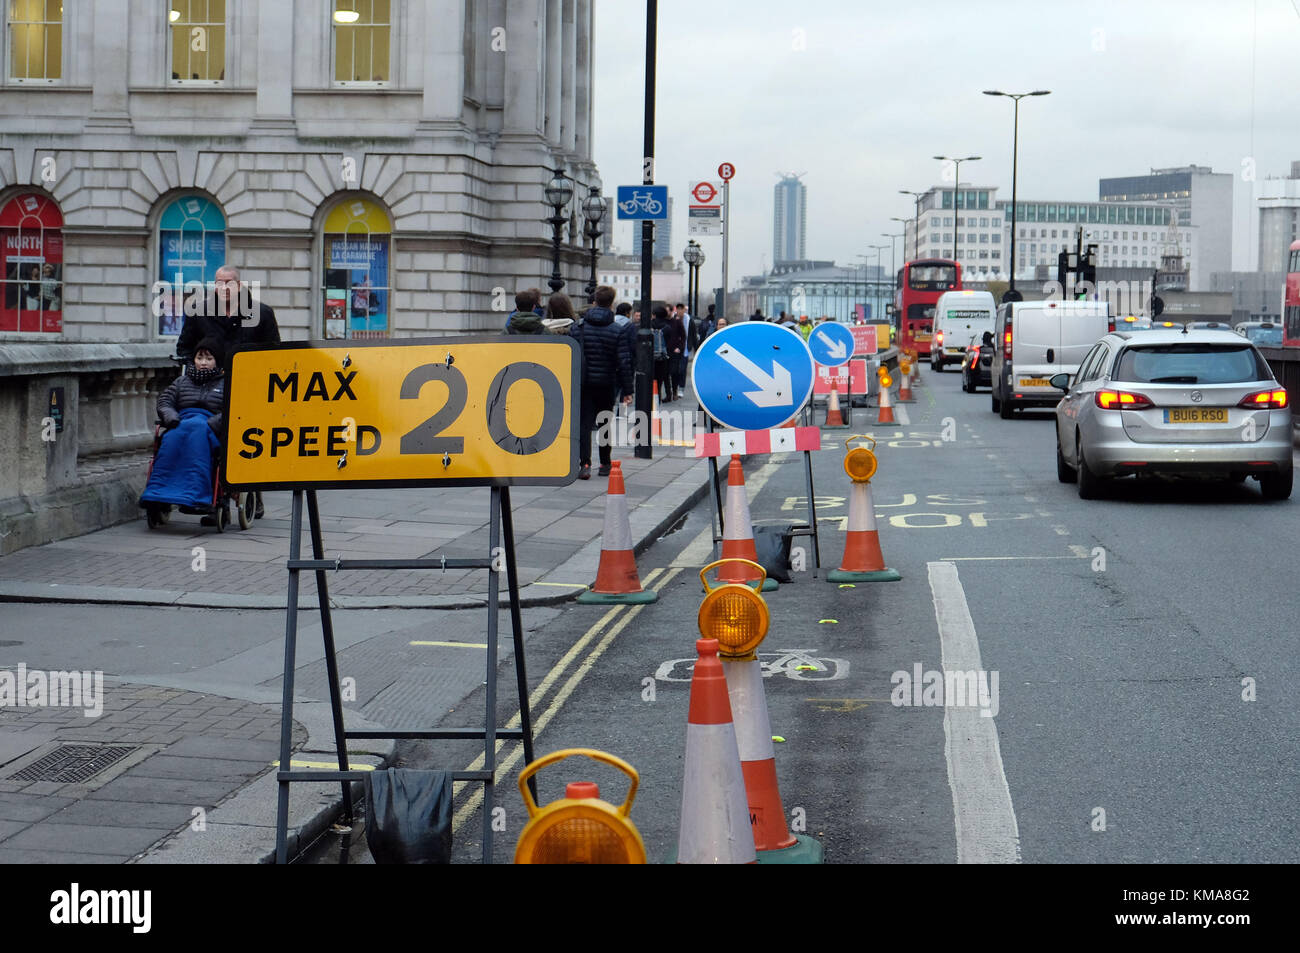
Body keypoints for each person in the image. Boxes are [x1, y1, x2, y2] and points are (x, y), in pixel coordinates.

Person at [175, 264, 280, 518]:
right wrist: (199, 369)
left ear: (239, 285)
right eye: (218, 282)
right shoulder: (199, 312)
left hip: (248, 388)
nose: (223, 287)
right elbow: (184, 350)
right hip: (209, 388)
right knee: (208, 433)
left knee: (243, 438)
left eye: (228, 282)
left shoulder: (262, 314)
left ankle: (252, 489)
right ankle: (212, 496)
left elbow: (274, 353)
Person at [140, 337, 228, 524]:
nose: (203, 363)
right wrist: (171, 417)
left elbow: (232, 409)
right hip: (181, 422)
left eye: (208, 359)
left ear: (217, 361)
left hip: (209, 426)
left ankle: (195, 496)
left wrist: (213, 423)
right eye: (199, 358)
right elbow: (165, 402)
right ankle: (159, 494)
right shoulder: (182, 381)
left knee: (196, 435)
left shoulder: (226, 383)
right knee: (170, 440)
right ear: (193, 360)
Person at [570, 286, 632, 480]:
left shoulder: (578, 327)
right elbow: (623, 361)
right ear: (611, 303)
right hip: (607, 384)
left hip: (583, 383)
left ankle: (585, 463)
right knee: (605, 423)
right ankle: (605, 463)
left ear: (594, 302)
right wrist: (628, 389)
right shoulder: (617, 330)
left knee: (584, 424)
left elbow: (570, 356)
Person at [650, 305, 674, 403]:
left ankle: (649, 401)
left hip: (650, 359)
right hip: (662, 359)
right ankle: (657, 400)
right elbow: (669, 344)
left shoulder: (648, 326)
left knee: (649, 382)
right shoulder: (667, 328)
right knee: (659, 382)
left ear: (654, 315)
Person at [664, 305, 686, 402]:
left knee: (674, 372)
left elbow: (683, 336)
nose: (666, 313)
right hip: (665, 351)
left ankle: (675, 391)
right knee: (665, 373)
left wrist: (679, 348)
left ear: (672, 311)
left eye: (667, 311)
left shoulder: (677, 322)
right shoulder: (663, 322)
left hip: (674, 352)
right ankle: (668, 394)